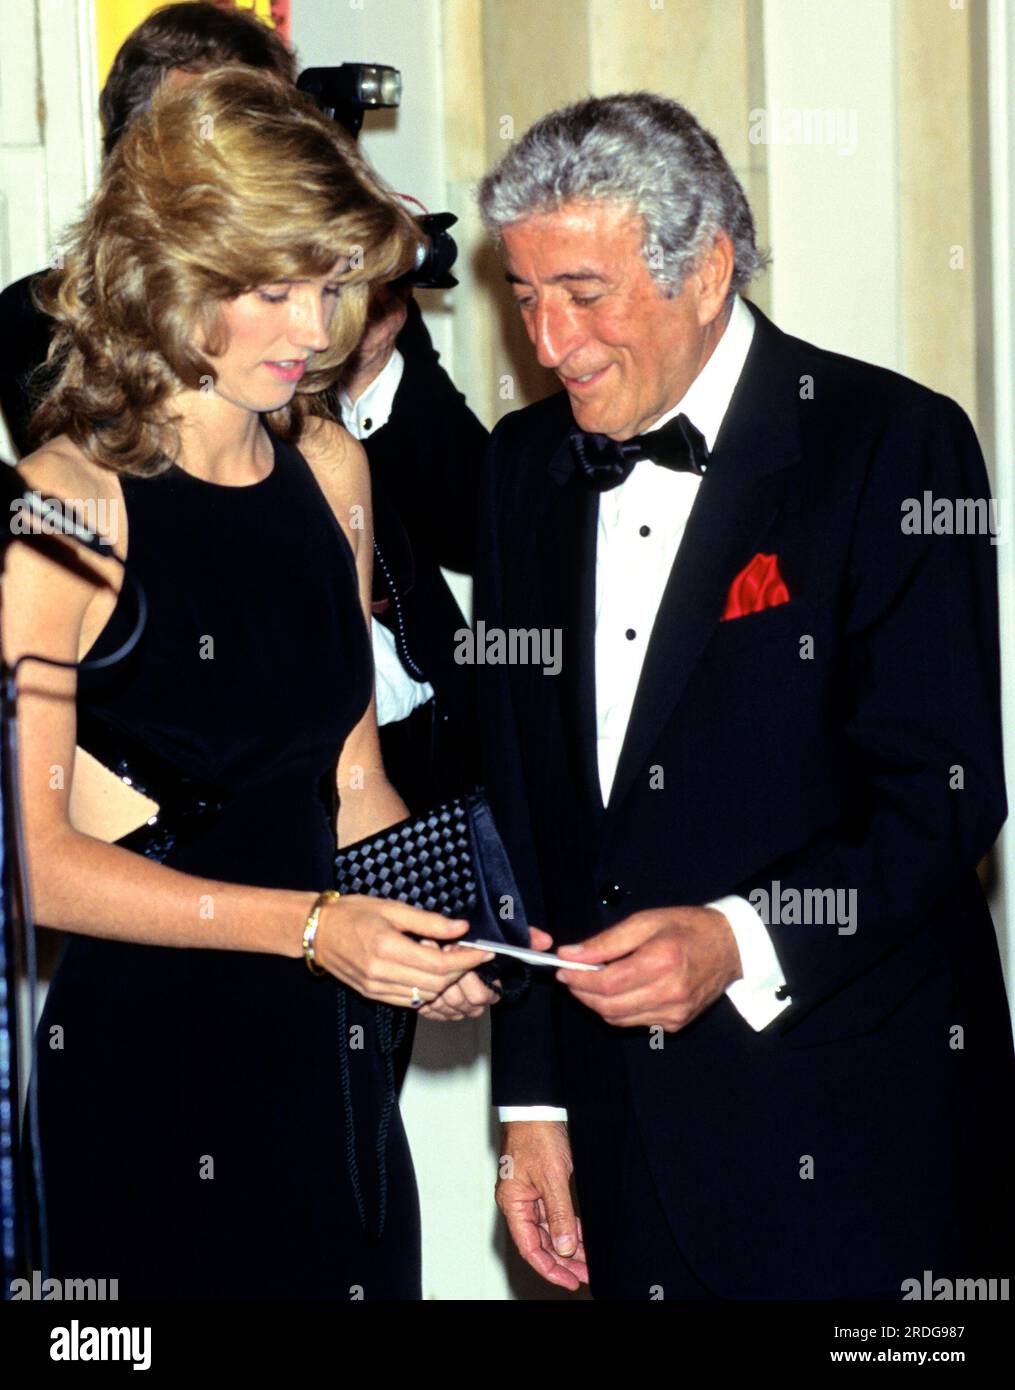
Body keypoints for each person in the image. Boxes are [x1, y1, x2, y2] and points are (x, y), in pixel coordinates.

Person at [473, 91, 1015, 1300]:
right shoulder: (520, 471)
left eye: (583, 292)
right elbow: (519, 805)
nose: (549, 342)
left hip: (859, 1136)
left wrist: (739, 937)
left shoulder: (892, 446)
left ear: (707, 268)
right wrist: (533, 1099)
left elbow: (943, 791)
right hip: (614, 1150)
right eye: (524, 297)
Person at [5, 66, 501, 1301]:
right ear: (171, 277)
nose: (313, 329)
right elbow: (38, 861)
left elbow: (352, 778)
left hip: (327, 1058)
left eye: (332, 287)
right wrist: (319, 929)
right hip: (152, 1061)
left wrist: (438, 930)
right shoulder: (63, 512)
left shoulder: (329, 467)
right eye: (270, 291)